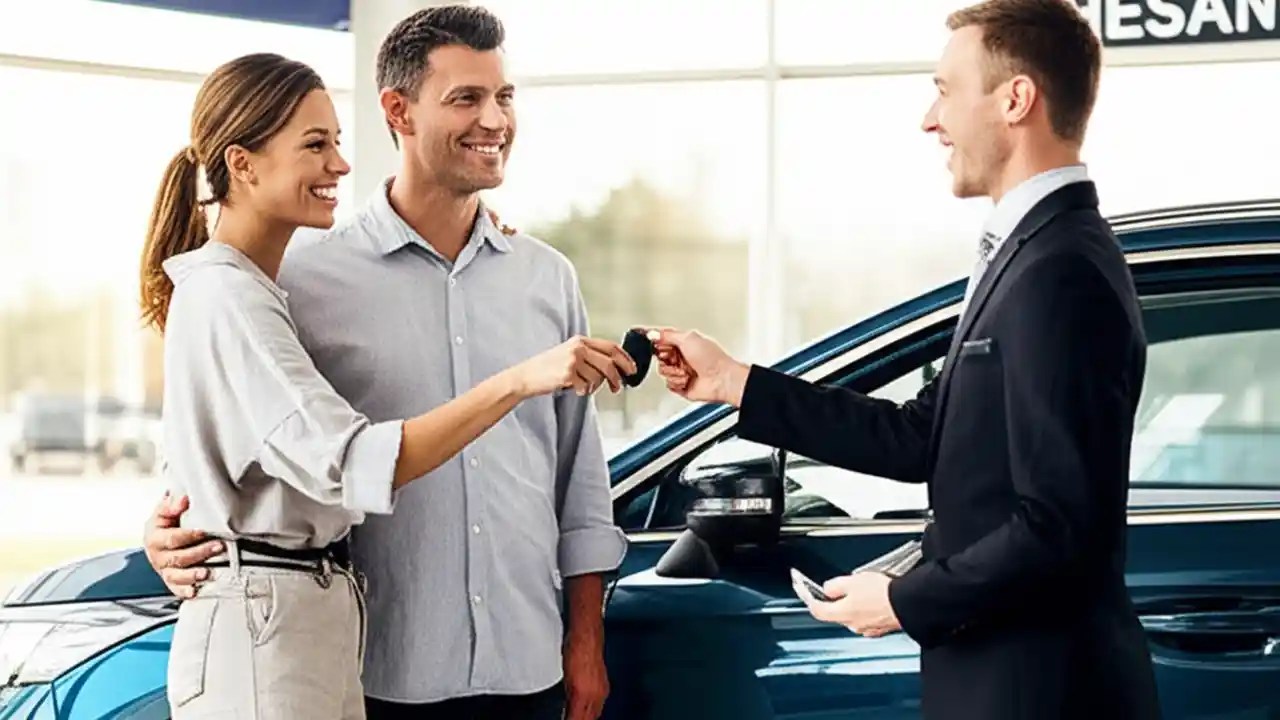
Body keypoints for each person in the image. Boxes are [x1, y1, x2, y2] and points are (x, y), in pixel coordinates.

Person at [650, 1, 1161, 718]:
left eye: (945, 90)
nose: (930, 120)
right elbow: (924, 435)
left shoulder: (1060, 270)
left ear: (1016, 99)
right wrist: (732, 382)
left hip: (1037, 693)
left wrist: (903, 600)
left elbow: (1061, 526)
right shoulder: (1031, 254)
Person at [143, 7, 625, 720]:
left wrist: (585, 642)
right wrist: (170, 524)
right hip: (377, 669)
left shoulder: (545, 278)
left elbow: (579, 481)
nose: (494, 119)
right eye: (466, 98)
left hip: (526, 665)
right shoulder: (293, 279)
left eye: (504, 96)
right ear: (398, 111)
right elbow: (218, 431)